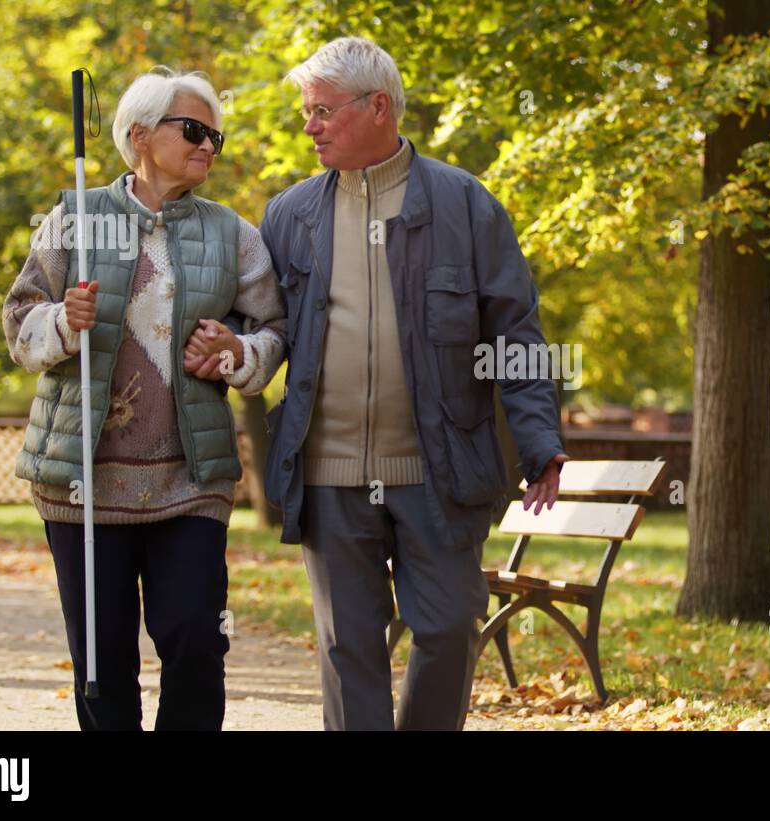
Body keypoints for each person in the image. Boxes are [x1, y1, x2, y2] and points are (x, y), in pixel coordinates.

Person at [260, 37, 568, 731]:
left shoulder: (466, 205)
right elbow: (263, 327)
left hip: (440, 470)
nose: (308, 126)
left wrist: (539, 439)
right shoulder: (290, 215)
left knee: (450, 627)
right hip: (330, 474)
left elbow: (514, 330)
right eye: (306, 112)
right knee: (349, 647)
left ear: (378, 107)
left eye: (320, 112)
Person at [2, 68, 286, 730]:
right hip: (83, 484)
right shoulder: (74, 215)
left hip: (190, 481)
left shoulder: (232, 233)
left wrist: (236, 352)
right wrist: (64, 324)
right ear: (139, 135)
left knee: (194, 637)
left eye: (216, 134)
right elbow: (22, 323)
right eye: (193, 130)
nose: (209, 145)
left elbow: (273, 329)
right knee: (101, 663)